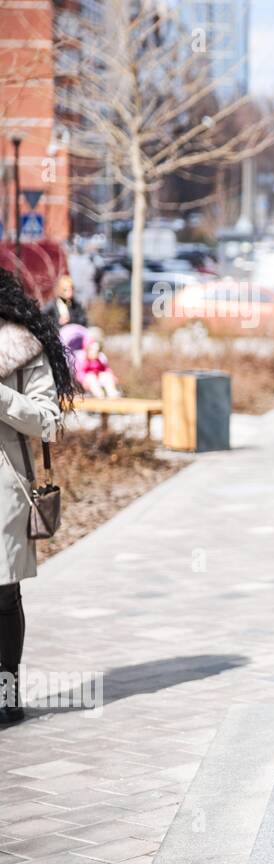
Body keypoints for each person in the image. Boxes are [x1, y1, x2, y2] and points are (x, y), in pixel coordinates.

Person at [0, 268, 76, 725]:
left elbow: (49, 420)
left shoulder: (20, 344)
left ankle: (6, 690)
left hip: (4, 487)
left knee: (3, 594)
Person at [45, 274, 88, 357]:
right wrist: (58, 323)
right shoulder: (52, 305)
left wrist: (70, 320)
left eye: (71, 289)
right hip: (60, 341)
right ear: (61, 290)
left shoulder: (76, 304)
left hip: (76, 341)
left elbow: (84, 320)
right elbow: (44, 319)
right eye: (66, 290)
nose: (69, 292)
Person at [74, 328, 122, 398]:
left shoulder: (101, 357)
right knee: (91, 377)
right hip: (89, 379)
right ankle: (99, 395)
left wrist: (112, 376)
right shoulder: (82, 357)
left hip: (99, 377)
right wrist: (83, 381)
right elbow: (80, 372)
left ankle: (113, 393)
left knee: (106, 376)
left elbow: (106, 369)